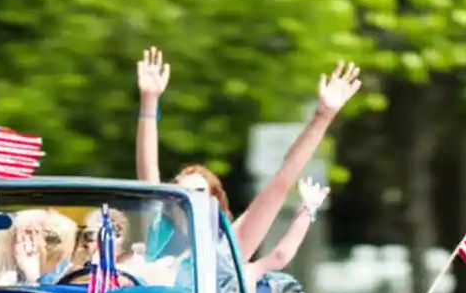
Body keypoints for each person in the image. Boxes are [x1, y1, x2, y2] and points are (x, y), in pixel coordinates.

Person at [136, 48, 361, 263]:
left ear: (215, 207)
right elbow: (148, 173)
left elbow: (281, 181)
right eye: (180, 192)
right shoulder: (158, 234)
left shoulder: (228, 250)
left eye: (197, 192)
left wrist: (323, 116)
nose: (186, 199)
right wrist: (149, 99)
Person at [0, 208, 78, 285]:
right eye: (27, 238)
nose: (39, 246)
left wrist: (32, 277)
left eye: (51, 239)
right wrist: (30, 278)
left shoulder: (75, 279)